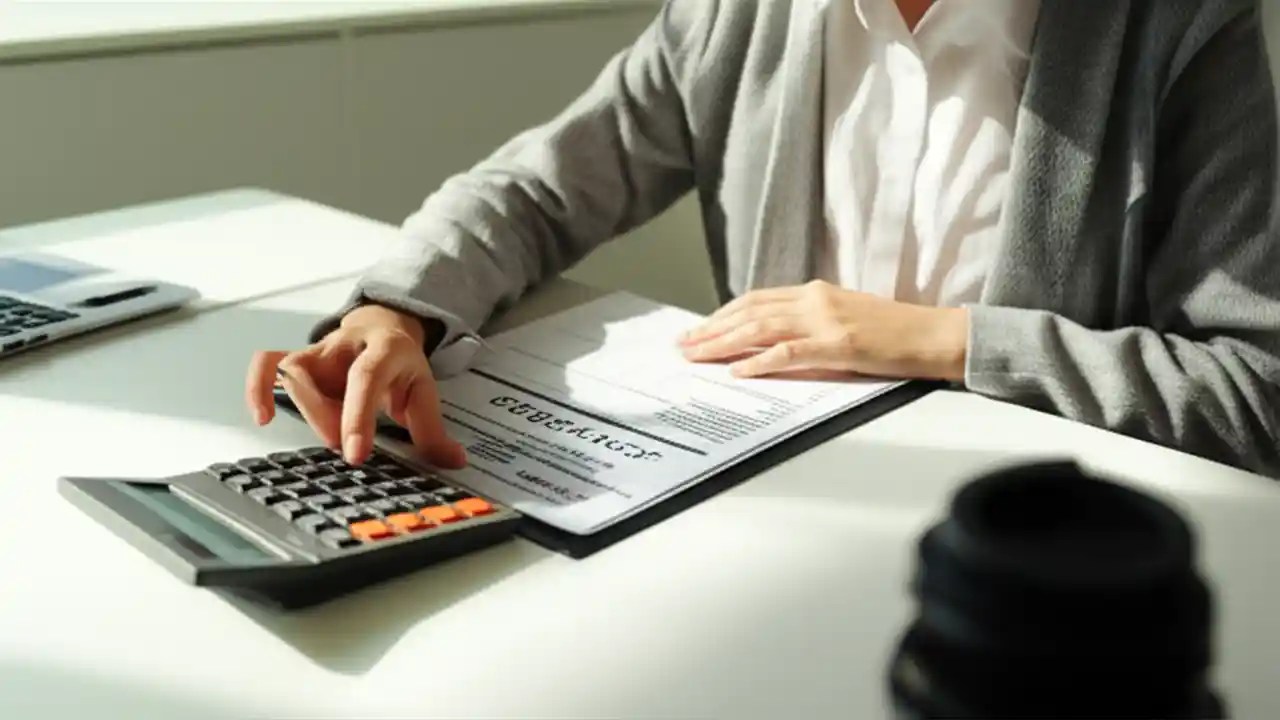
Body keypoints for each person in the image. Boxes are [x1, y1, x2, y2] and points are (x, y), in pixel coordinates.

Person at [246, 0, 1280, 477]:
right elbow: (533, 193)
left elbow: (1253, 392)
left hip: (1033, 567)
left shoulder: (1179, 28)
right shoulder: (732, 18)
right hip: (771, 505)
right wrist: (397, 309)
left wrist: (945, 341)